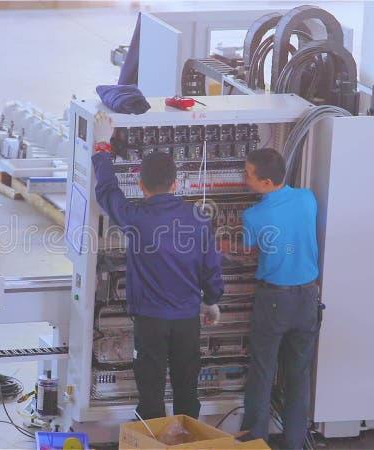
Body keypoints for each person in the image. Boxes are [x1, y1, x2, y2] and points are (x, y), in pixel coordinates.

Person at [91, 112, 224, 419]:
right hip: (187, 320)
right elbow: (211, 267)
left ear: (140, 185)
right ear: (176, 184)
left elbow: (108, 192)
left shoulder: (137, 219)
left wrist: (102, 145)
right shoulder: (198, 219)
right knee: (187, 392)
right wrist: (212, 301)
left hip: (150, 322)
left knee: (150, 394)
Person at [238, 148, 320, 449]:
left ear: (267, 181)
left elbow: (246, 250)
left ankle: (255, 442)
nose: (244, 178)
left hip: (274, 301)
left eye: (248, 174)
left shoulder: (255, 215)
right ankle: (295, 443)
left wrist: (216, 242)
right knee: (299, 374)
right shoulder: (307, 198)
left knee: (262, 371)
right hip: (308, 298)